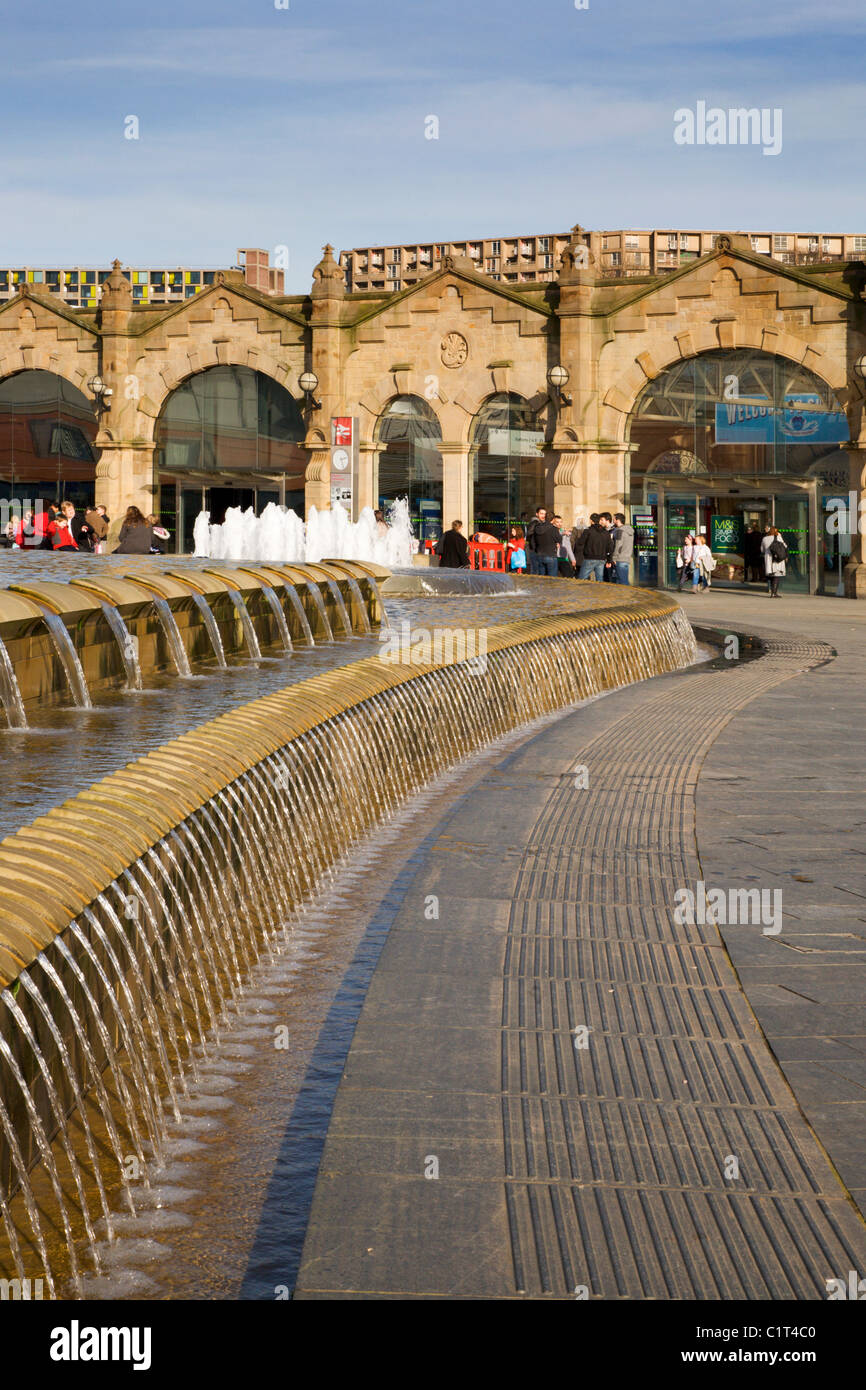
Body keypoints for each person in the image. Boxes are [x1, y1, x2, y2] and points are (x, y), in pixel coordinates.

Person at [525, 506, 560, 576]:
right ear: (537, 514)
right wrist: (535, 544)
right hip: (535, 550)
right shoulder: (535, 523)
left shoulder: (542, 524)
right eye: (541, 513)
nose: (543, 516)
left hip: (539, 551)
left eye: (544, 514)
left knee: (540, 574)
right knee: (536, 572)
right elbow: (529, 535)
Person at [578, 514, 614, 580]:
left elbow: (580, 543)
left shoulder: (588, 530)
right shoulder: (606, 532)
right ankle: (599, 590)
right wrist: (609, 560)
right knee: (599, 579)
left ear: (591, 521)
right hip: (601, 559)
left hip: (589, 558)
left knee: (582, 579)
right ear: (599, 521)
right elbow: (610, 547)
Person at [762, 526, 788, 597]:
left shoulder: (764, 538)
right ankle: (774, 593)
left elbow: (762, 550)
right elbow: (785, 546)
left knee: (771, 576)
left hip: (768, 559)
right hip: (777, 558)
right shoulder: (778, 537)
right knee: (776, 576)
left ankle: (772, 592)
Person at [611, 511, 634, 584]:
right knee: (621, 581)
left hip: (620, 559)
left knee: (623, 581)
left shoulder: (620, 531)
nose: (613, 521)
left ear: (617, 520)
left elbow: (618, 545)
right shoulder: (629, 530)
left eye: (614, 519)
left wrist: (614, 558)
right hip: (626, 558)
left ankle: (629, 595)